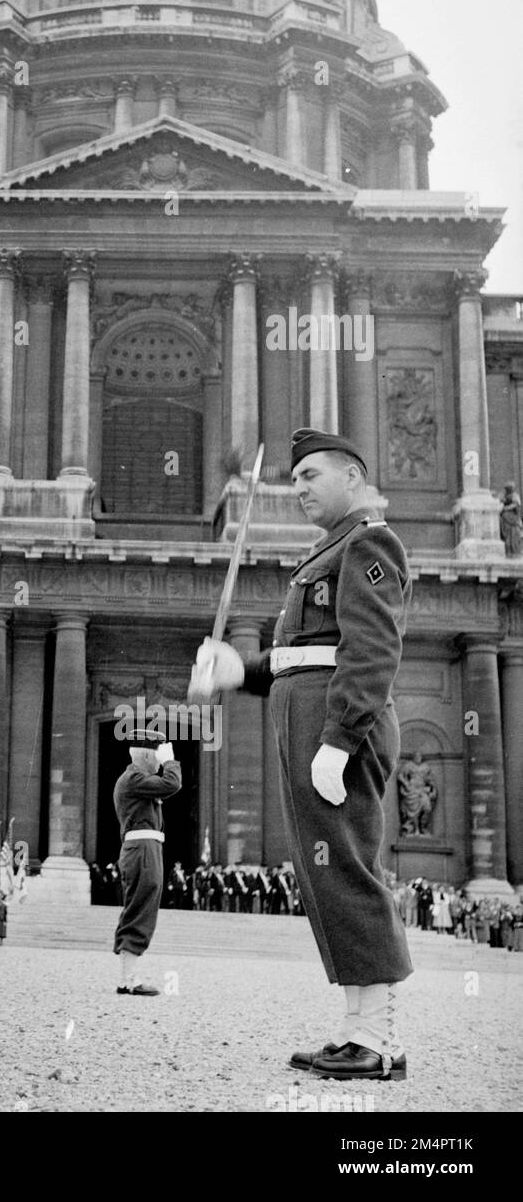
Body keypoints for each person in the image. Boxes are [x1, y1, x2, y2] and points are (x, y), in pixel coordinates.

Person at [191, 427, 413, 1082]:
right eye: (294, 477)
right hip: (313, 723)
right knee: (330, 879)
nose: (299, 486)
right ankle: (362, 1032)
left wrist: (339, 741)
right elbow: (300, 656)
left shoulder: (370, 542)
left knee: (348, 872)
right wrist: (238, 669)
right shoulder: (327, 552)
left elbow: (371, 650)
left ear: (352, 476)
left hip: (338, 732)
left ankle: (377, 1040)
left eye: (312, 473)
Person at [111, 736, 181, 995]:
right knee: (140, 909)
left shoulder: (136, 781)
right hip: (142, 850)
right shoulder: (134, 779)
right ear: (146, 757)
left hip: (145, 848)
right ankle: (129, 980)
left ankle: (126, 978)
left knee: (140, 908)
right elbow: (172, 783)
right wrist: (171, 761)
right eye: (156, 758)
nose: (158, 763)